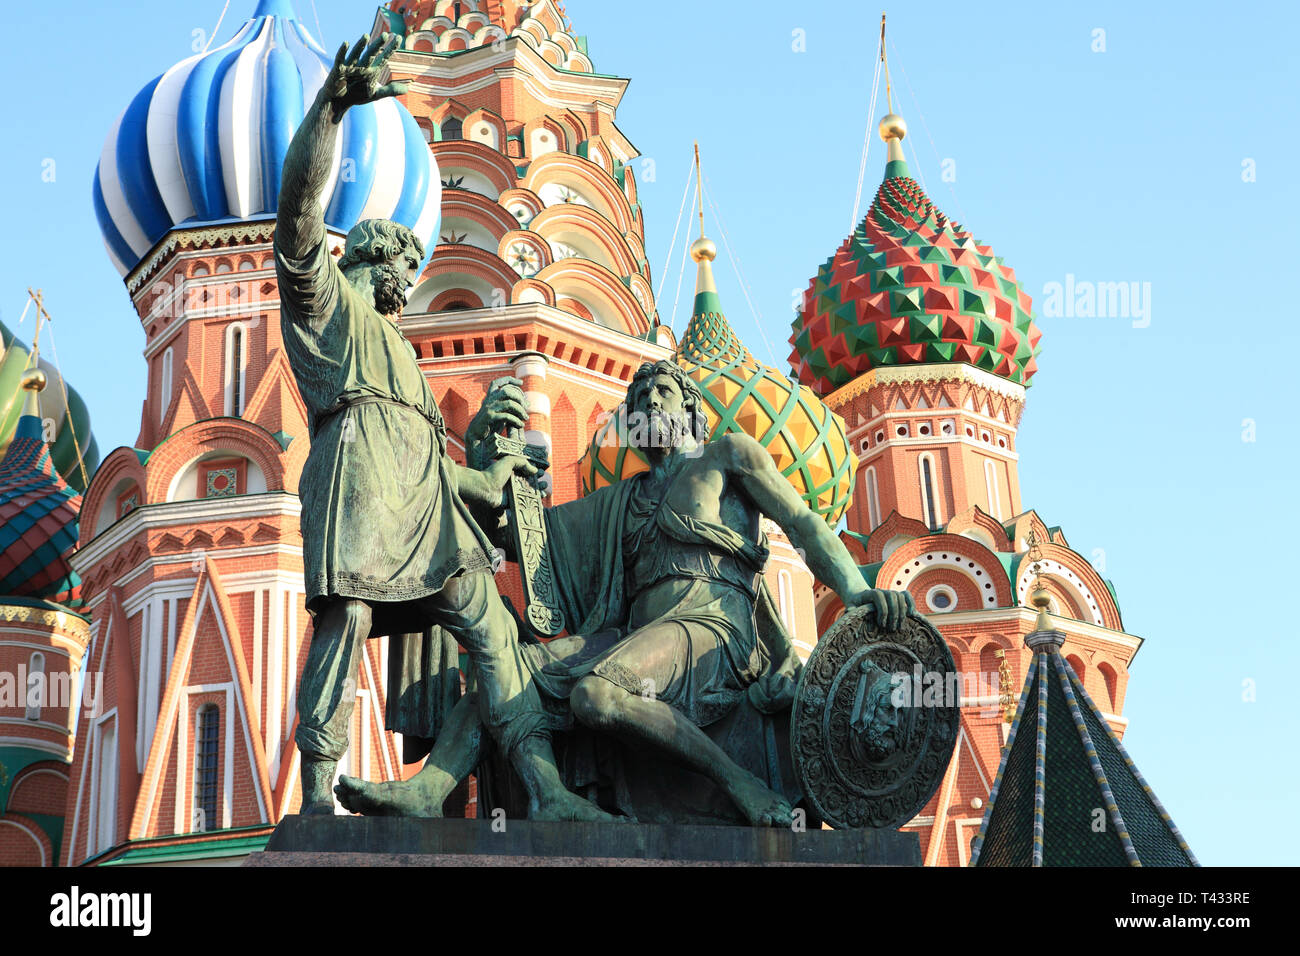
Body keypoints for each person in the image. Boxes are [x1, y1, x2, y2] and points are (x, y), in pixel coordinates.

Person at [337, 361, 915, 825]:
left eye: (662, 393)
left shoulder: (727, 457)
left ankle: (740, 784)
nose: (649, 406)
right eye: (639, 402)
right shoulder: (621, 499)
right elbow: (526, 538)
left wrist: (856, 589)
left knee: (595, 696)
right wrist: (489, 456)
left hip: (712, 629)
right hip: (637, 635)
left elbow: (805, 523)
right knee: (506, 670)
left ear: (690, 408)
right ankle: (430, 790)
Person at [276, 31, 609, 821]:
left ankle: (546, 789)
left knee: (494, 630)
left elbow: (429, 460)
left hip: (428, 507)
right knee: (347, 616)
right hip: (355, 476)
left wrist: (490, 479)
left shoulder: (401, 356)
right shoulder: (327, 308)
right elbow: (296, 215)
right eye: (396, 267)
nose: (404, 283)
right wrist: (329, 109)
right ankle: (318, 789)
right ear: (368, 262)